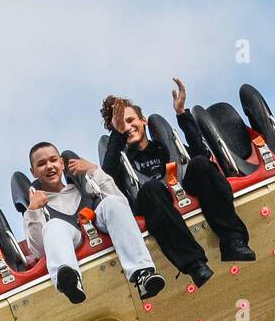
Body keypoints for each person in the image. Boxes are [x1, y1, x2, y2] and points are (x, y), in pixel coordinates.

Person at [100, 78, 255, 286]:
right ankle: (195, 265)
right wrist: (117, 136)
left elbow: (202, 154)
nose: (127, 127)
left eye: (130, 120)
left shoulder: (166, 148)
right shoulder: (119, 163)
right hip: (153, 203)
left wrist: (182, 114)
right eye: (120, 125)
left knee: (200, 164)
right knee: (152, 189)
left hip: (182, 187)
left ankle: (233, 241)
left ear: (143, 120)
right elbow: (108, 174)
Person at [24, 141, 165, 304]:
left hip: (96, 224)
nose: (49, 166)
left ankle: (142, 273)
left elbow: (121, 204)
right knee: (53, 226)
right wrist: (33, 210)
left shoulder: (85, 186)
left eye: (53, 160)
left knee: (112, 202)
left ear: (62, 163)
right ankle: (70, 281)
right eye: (41, 164)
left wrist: (94, 171)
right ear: (33, 172)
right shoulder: (36, 206)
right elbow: (40, 251)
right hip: (70, 237)